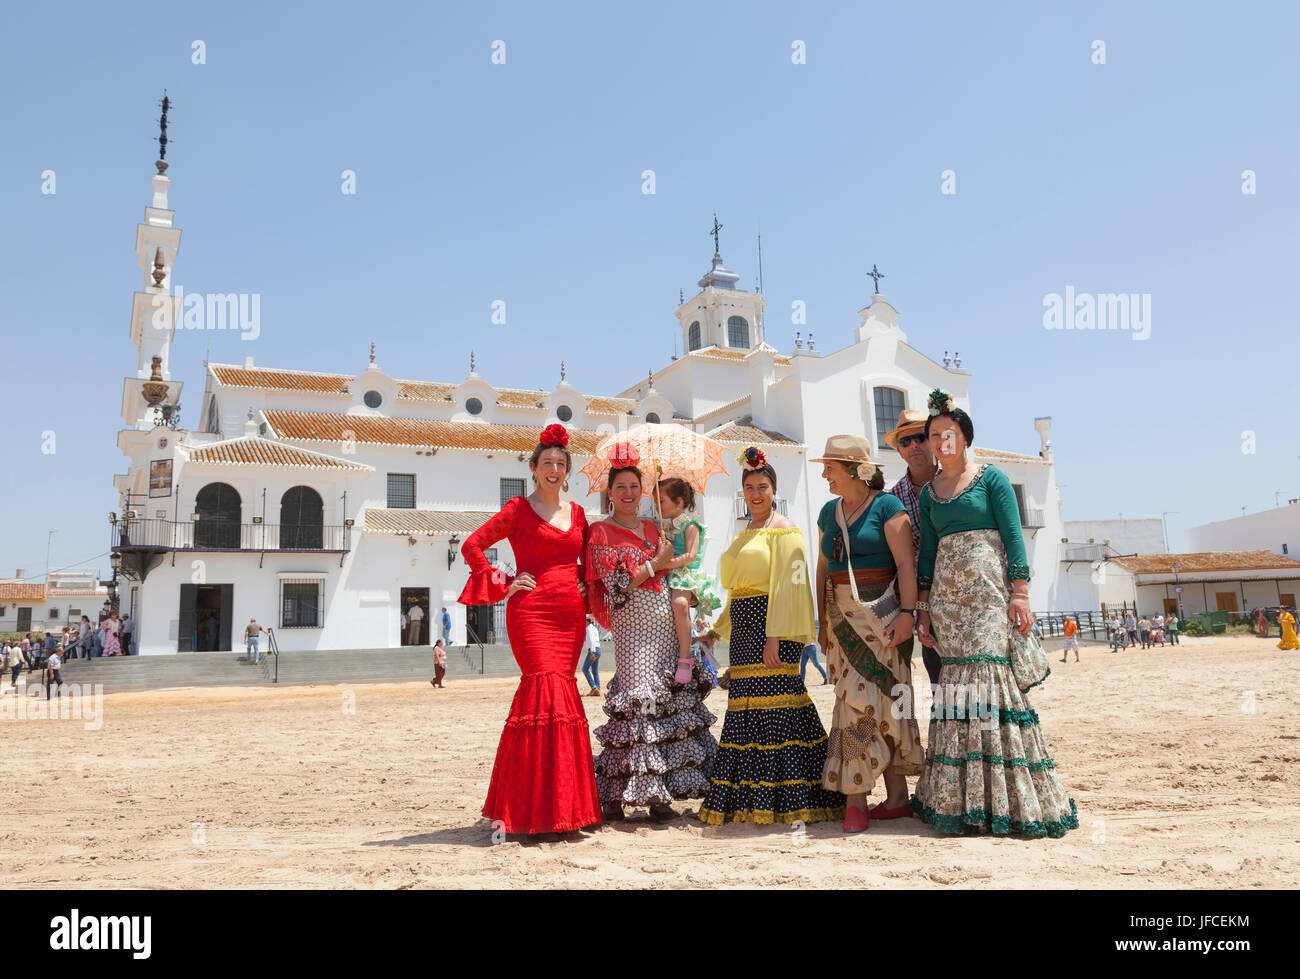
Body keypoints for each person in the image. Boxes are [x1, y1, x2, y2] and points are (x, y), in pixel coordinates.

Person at [912, 389, 1077, 838]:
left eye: (949, 433)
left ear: (964, 438)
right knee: (956, 684)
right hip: (947, 602)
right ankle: (959, 800)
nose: (940, 441)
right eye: (933, 435)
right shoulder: (929, 494)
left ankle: (1007, 799)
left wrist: (1020, 593)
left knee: (990, 677)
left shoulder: (992, 479)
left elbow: (1013, 536)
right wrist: (923, 611)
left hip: (988, 596)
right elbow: (926, 554)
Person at [457, 423, 602, 837]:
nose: (554, 469)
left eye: (560, 463)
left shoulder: (577, 514)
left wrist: (582, 582)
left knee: (564, 700)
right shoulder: (518, 509)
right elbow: (472, 545)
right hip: (532, 613)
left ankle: (563, 810)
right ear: (534, 467)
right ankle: (527, 812)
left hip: (570, 616)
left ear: (567, 469)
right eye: (547, 463)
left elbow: (585, 563)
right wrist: (502, 581)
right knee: (541, 695)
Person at [700, 446, 845, 827]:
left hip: (773, 633)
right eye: (749, 487)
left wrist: (776, 637)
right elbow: (738, 594)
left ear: (773, 489)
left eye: (762, 486)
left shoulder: (787, 532)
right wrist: (716, 631)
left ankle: (794, 797)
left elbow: (791, 591)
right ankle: (751, 798)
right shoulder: (744, 532)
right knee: (747, 710)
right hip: (744, 635)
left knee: (780, 708)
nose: (756, 493)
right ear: (743, 492)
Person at [587, 444, 717, 822]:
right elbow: (613, 586)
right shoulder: (600, 532)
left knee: (665, 702)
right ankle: (616, 792)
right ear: (610, 492)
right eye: (621, 487)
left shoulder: (654, 527)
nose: (628, 493)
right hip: (631, 627)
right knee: (635, 698)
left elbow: (677, 568)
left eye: (635, 487)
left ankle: (661, 795)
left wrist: (670, 571)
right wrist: (651, 566)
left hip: (665, 622)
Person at [812, 434, 923, 832]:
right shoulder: (828, 512)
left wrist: (908, 614)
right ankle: (867, 796)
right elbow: (823, 568)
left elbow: (907, 566)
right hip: (842, 621)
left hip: (885, 618)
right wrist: (822, 621)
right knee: (851, 701)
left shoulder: (888, 506)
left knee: (890, 700)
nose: (824, 475)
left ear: (857, 469)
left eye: (830, 468)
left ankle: (884, 799)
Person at [884, 407, 942, 688]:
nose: (914, 446)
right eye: (905, 442)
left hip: (967, 594)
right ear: (899, 451)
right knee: (938, 675)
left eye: (920, 437)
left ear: (933, 440)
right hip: (925, 600)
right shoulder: (892, 500)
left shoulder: (959, 483)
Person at [656, 477, 722, 684]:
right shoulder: (666, 527)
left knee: (680, 603)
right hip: (669, 571)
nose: (658, 507)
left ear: (678, 501)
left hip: (684, 573)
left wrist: (665, 564)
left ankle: (685, 657)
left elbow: (691, 556)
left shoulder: (690, 525)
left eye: (661, 501)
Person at [580, 615, 602, 696]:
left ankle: (594, 687)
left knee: (585, 669)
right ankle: (597, 688)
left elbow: (592, 641)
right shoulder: (593, 628)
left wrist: (592, 652)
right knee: (594, 671)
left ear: (587, 621)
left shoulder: (589, 629)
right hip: (598, 649)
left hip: (594, 650)